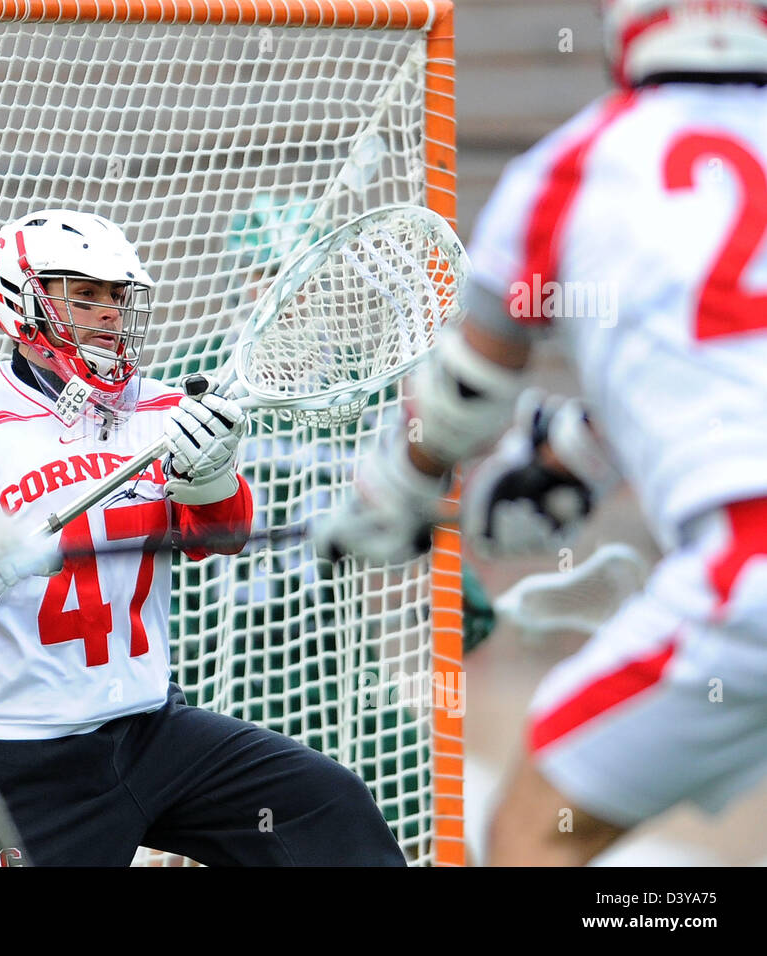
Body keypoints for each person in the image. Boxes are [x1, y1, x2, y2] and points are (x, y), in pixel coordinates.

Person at [318, 0, 767, 865]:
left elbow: (463, 394)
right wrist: (575, 459)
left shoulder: (578, 165)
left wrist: (398, 488)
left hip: (749, 566)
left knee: (536, 834)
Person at [0, 208, 405, 866]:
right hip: (17, 748)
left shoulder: (165, 409)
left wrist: (209, 479)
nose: (109, 314)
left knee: (325, 809)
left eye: (117, 298)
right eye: (84, 296)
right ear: (19, 302)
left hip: (151, 729)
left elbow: (224, 536)